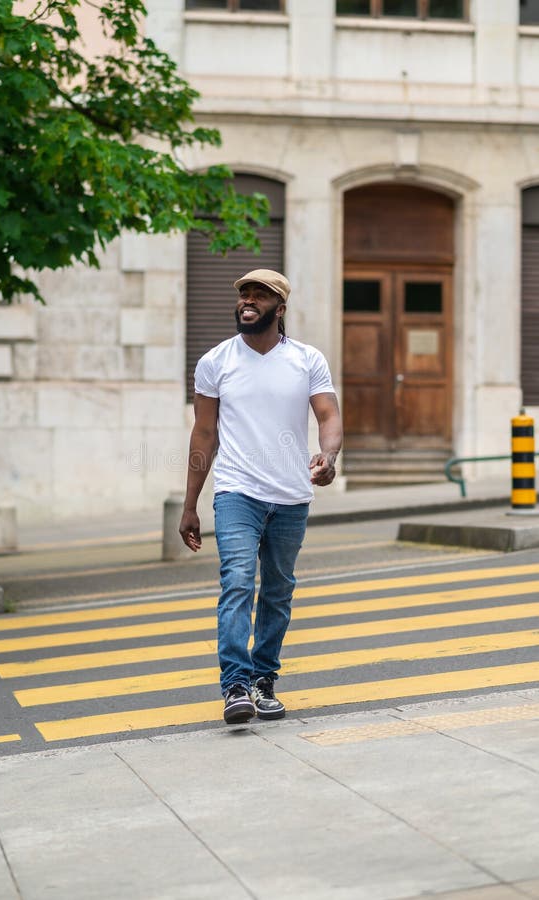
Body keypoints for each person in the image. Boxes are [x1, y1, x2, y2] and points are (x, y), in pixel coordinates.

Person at [179, 269, 343, 725]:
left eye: (260, 296)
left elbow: (329, 416)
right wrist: (190, 503)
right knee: (236, 581)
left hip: (291, 496)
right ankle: (235, 684)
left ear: (280, 308)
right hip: (236, 491)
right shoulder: (215, 361)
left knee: (277, 591)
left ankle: (263, 680)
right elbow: (204, 434)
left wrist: (328, 457)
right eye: (244, 295)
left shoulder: (307, 360)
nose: (248, 301)